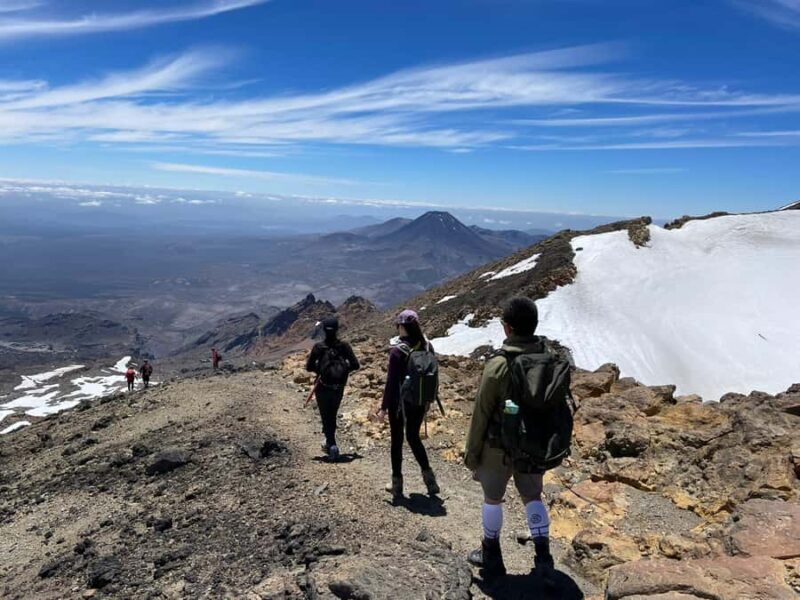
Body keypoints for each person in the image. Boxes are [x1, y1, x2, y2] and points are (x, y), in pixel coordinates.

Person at [464, 297, 558, 580]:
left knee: (493, 499)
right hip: (535, 444)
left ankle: (491, 556)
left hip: (498, 446)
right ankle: (543, 558)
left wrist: (472, 452)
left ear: (507, 328)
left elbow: (481, 411)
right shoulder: (550, 360)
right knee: (532, 496)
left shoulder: (499, 364)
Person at [376, 309, 440, 502]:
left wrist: (384, 408)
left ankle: (397, 485)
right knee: (413, 437)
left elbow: (391, 383)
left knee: (396, 441)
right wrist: (429, 400)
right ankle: (430, 480)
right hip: (420, 401)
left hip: (399, 404)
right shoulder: (428, 346)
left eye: (398, 325)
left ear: (402, 326)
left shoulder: (398, 351)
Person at [305, 317, 360, 460]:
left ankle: (332, 445)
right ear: (337, 329)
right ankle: (329, 442)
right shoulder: (344, 346)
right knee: (332, 414)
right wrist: (344, 369)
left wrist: (320, 369)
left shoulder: (318, 347)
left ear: (323, 329)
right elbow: (355, 365)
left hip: (322, 386)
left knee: (325, 415)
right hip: (338, 387)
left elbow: (309, 367)